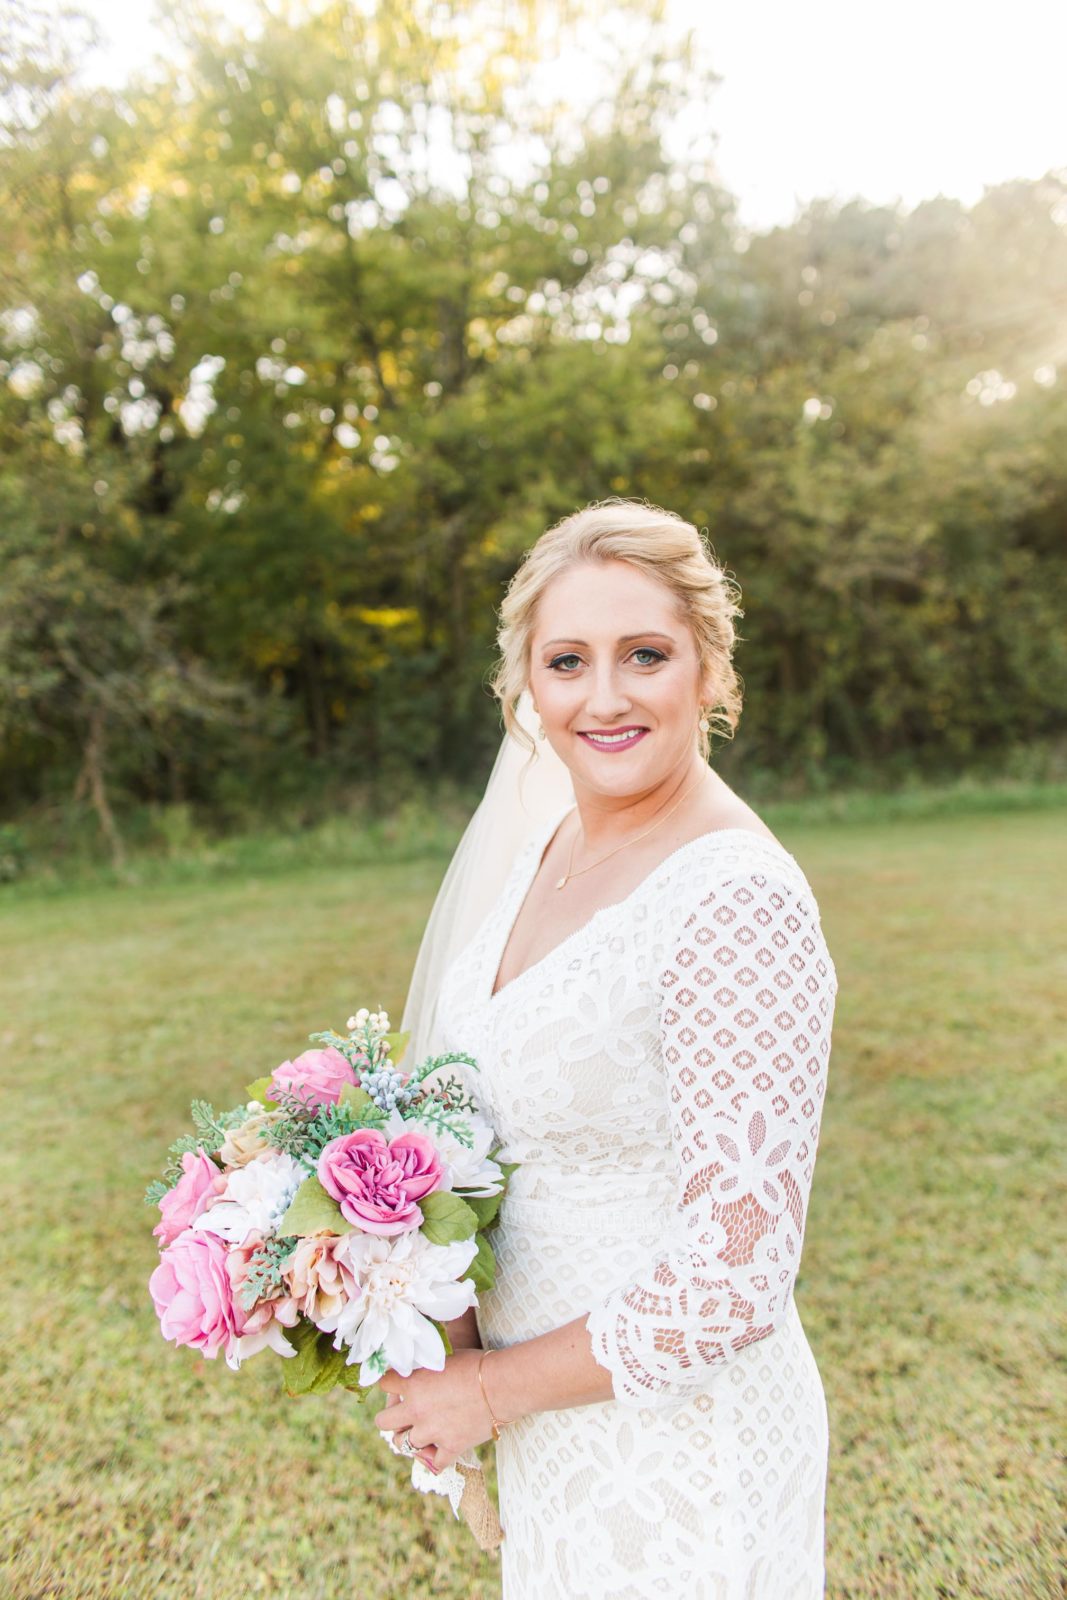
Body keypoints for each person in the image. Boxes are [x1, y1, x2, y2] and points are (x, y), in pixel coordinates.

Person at [374, 498, 839, 1598]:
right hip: (558, 1432)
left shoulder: (735, 901)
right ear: (524, 685)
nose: (605, 696)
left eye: (645, 654)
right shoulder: (547, 844)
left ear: (709, 670)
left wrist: (486, 1389)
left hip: (684, 1450)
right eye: (567, 660)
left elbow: (735, 1274)